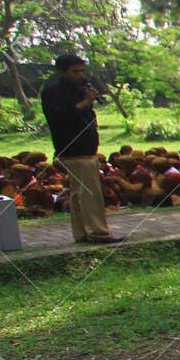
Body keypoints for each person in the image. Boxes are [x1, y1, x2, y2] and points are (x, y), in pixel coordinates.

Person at [40, 51, 120, 244]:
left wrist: (88, 101)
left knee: (78, 193)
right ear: (61, 72)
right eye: (75, 71)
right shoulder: (53, 91)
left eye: (82, 71)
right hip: (73, 147)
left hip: (86, 146)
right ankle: (98, 233)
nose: (80, 75)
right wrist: (85, 103)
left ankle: (82, 233)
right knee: (90, 193)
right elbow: (60, 117)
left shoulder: (79, 87)